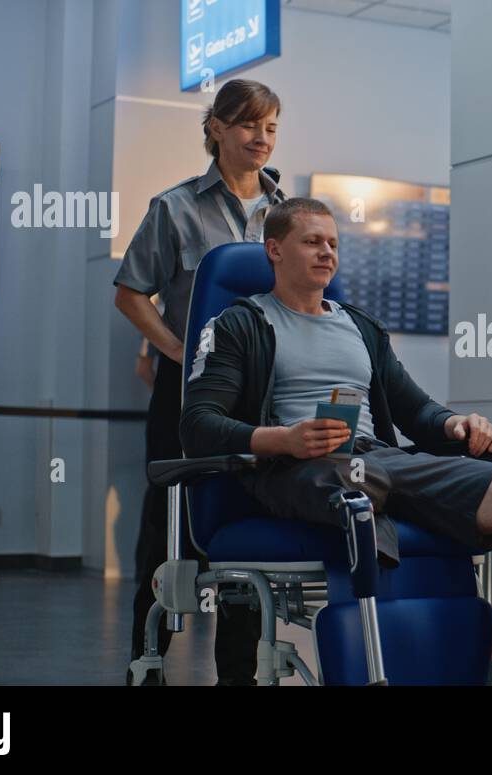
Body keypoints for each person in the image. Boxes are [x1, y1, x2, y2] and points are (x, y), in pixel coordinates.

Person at [180, 198, 492, 686]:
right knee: (354, 493)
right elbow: (198, 425)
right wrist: (285, 439)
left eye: (334, 243)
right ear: (274, 250)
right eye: (312, 241)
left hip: (376, 463)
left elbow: (415, 411)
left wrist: (454, 426)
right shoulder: (239, 325)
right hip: (298, 468)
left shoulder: (360, 327)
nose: (327, 253)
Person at [113, 79, 286, 685]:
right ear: (215, 128)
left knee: (241, 538)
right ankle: (147, 663)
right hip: (186, 395)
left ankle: (237, 675)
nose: (260, 138)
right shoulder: (174, 207)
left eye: (270, 127)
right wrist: (180, 353)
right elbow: (131, 293)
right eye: (247, 126)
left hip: (262, 401)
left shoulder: (284, 215)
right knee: (165, 532)